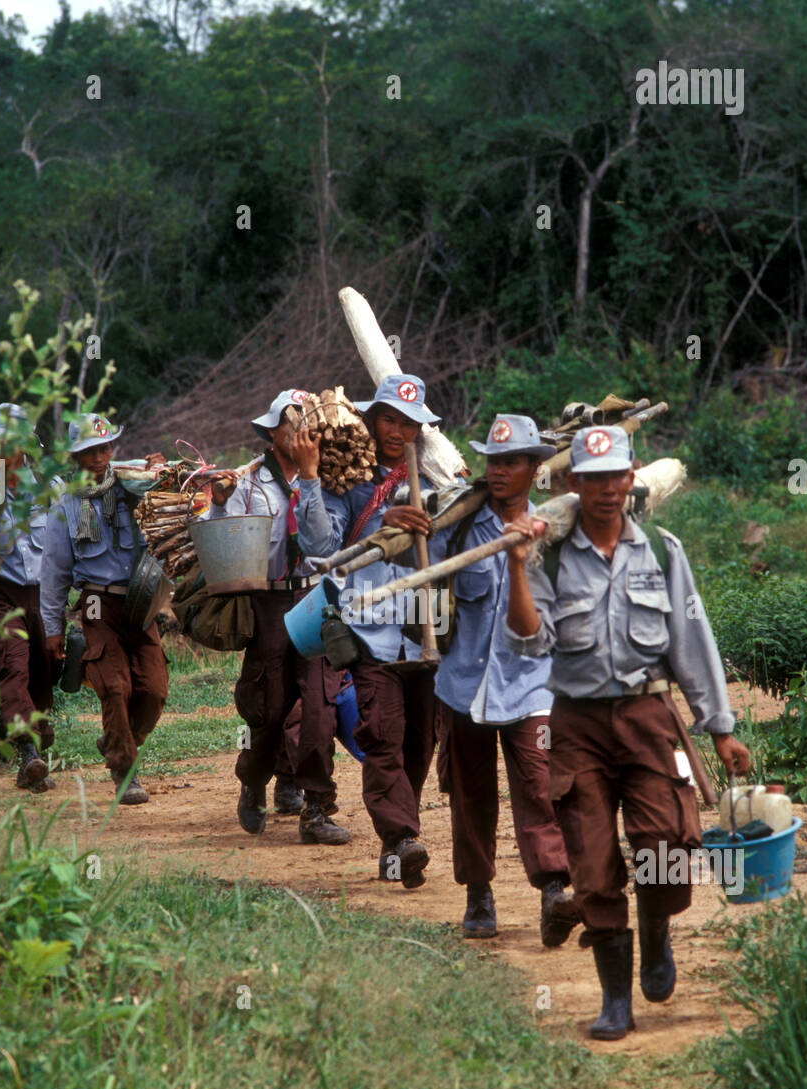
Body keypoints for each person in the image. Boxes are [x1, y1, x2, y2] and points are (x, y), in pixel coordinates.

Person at [504, 423, 751, 1040]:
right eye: (593, 479)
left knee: (667, 843)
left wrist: (720, 730)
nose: (606, 489)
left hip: (648, 717)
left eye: (616, 475)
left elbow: (693, 642)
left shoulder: (662, 551)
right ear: (573, 483)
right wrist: (516, 567)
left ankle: (656, 929)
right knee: (592, 862)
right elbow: (529, 642)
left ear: (631, 475)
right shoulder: (549, 554)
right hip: (577, 724)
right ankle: (615, 998)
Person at [294, 374, 441, 888]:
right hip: (371, 632)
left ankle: (397, 840)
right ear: (371, 422)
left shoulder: (437, 479)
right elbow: (320, 550)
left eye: (409, 424)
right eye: (389, 420)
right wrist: (312, 478)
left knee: (420, 743)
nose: (398, 432)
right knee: (384, 737)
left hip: (425, 630)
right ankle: (400, 837)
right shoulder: (348, 480)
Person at [434, 415, 575, 940]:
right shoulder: (458, 525)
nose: (498, 471)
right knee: (470, 794)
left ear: (534, 468)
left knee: (541, 787)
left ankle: (554, 890)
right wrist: (407, 524)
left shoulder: (552, 533)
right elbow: (413, 566)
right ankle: (478, 894)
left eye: (511, 462)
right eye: (493, 461)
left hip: (532, 684)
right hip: (463, 684)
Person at [206, 389, 350, 846]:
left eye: (308, 424)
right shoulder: (248, 483)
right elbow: (219, 538)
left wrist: (311, 478)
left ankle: (315, 805)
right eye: (292, 425)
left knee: (318, 704)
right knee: (268, 706)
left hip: (314, 597)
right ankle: (254, 779)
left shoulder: (328, 477)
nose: (302, 433)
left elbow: (322, 545)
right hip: (268, 602)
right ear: (272, 434)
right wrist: (218, 501)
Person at [40, 414, 169, 806]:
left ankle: (117, 738)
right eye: (90, 451)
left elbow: (176, 504)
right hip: (96, 601)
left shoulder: (134, 487)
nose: (99, 458)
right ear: (75, 457)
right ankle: (124, 771)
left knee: (154, 689)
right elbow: (54, 571)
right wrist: (52, 627)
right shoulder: (65, 505)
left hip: (140, 600)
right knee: (114, 686)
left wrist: (161, 476)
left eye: (105, 448)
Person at [0, 404, 61, 791]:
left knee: (43, 671)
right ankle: (27, 750)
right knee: (12, 666)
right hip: (3, 594)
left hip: (45, 595)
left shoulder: (47, 488)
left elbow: (65, 543)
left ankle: (32, 759)